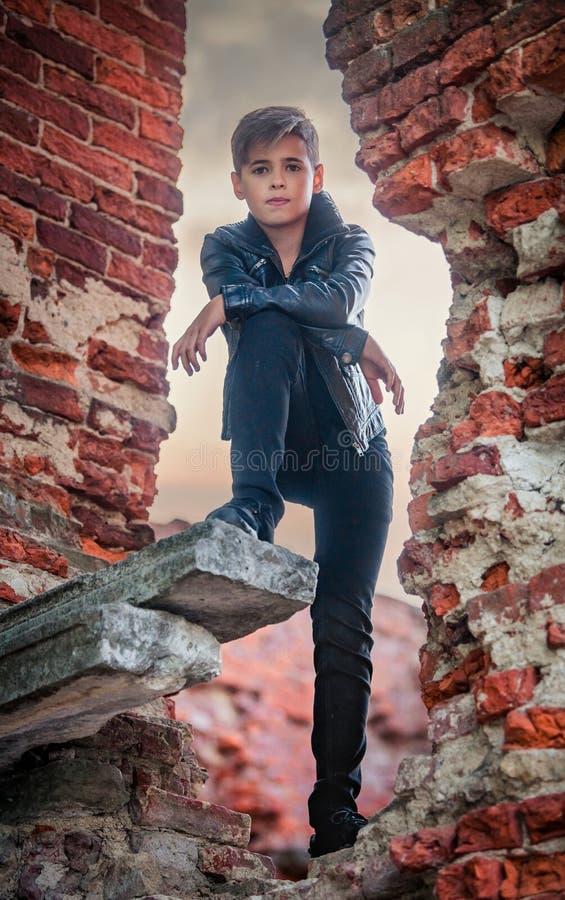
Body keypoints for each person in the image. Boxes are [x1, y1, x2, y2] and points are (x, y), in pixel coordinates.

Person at [171, 106, 404, 858]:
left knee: (343, 627)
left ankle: (334, 812)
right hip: (278, 448)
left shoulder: (352, 242)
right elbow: (314, 318)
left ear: (317, 175)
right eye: (261, 170)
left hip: (353, 458)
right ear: (238, 184)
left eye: (292, 166)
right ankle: (253, 505)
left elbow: (337, 300)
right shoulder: (227, 244)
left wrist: (238, 302)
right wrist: (346, 335)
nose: (278, 182)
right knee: (269, 327)